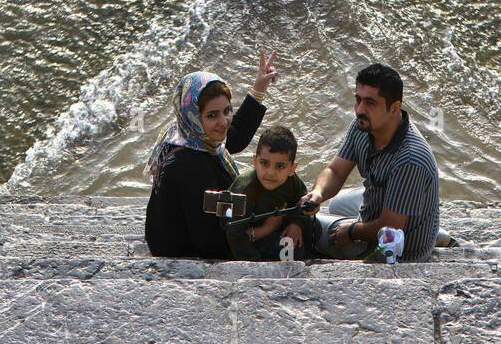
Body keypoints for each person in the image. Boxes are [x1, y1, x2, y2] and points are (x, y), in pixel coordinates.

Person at [300, 63, 441, 262]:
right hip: (381, 204)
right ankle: (430, 225)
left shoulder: (410, 159)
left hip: (401, 248)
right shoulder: (363, 125)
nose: (360, 109)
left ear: (394, 109)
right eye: (358, 100)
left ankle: (428, 229)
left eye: (370, 102)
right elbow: (336, 171)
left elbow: (389, 228)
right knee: (335, 203)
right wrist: (317, 194)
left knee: (311, 230)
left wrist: (350, 231)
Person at [145, 50, 276, 259]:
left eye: (227, 110)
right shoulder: (192, 167)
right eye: (212, 115)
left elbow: (236, 136)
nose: (224, 121)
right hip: (181, 252)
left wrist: (259, 87)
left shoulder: (187, 134)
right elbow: (209, 241)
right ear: (195, 116)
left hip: (184, 232)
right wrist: (258, 231)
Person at [226, 125, 317, 260]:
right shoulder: (244, 190)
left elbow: (301, 202)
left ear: (292, 168)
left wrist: (296, 224)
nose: (271, 173)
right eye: (264, 163)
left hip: (280, 227)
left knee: (314, 226)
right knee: (294, 250)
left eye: (280, 166)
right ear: (255, 161)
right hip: (252, 239)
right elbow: (234, 234)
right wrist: (255, 264)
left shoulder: (291, 181)